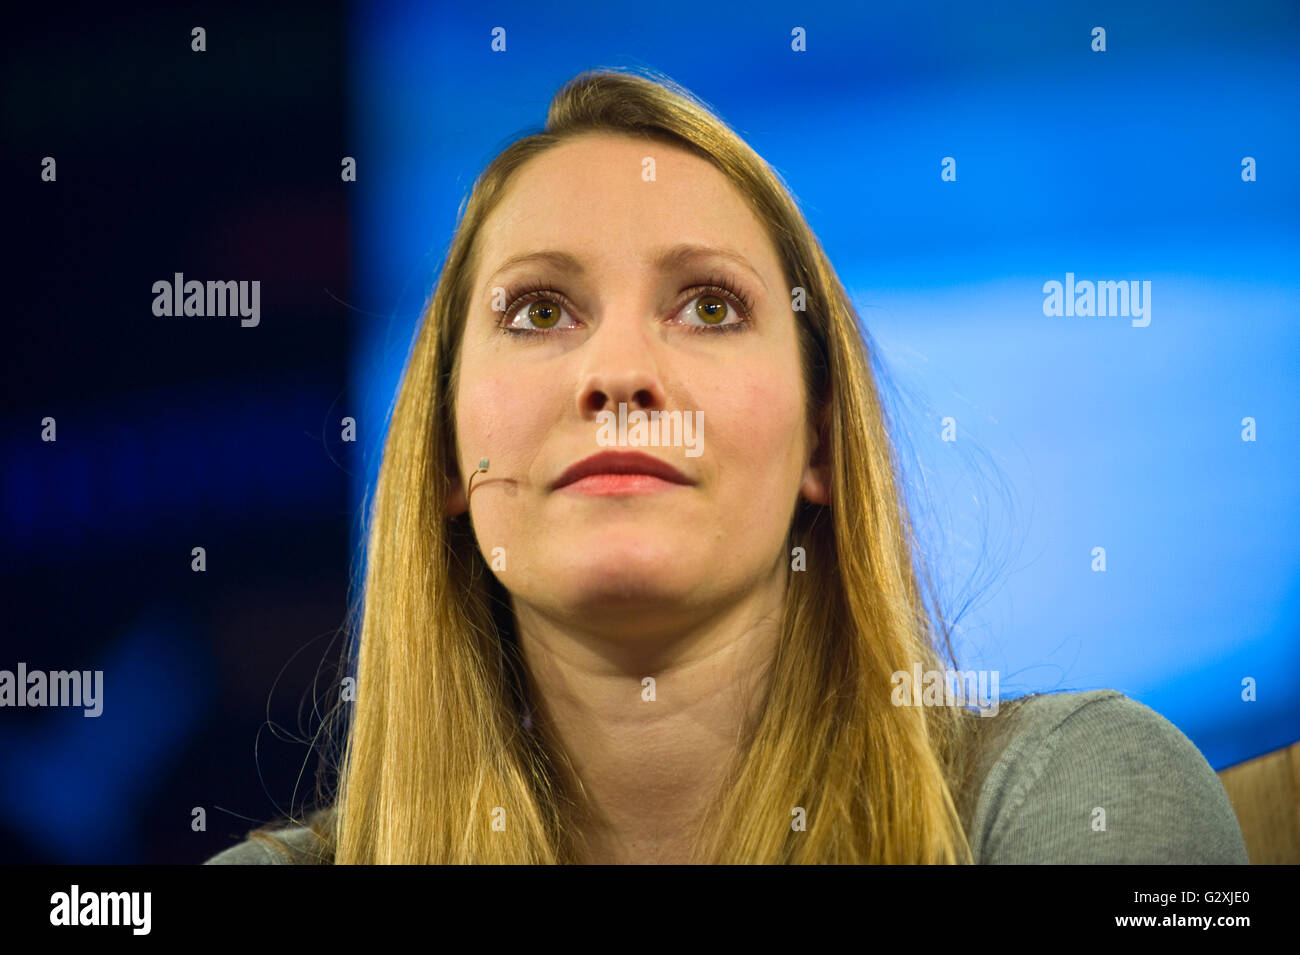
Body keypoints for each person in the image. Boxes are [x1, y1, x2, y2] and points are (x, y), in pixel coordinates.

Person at [205, 67, 1248, 865]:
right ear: (442, 455)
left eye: (709, 305)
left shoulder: (1072, 789)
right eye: (538, 311)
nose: (618, 373)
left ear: (821, 446)